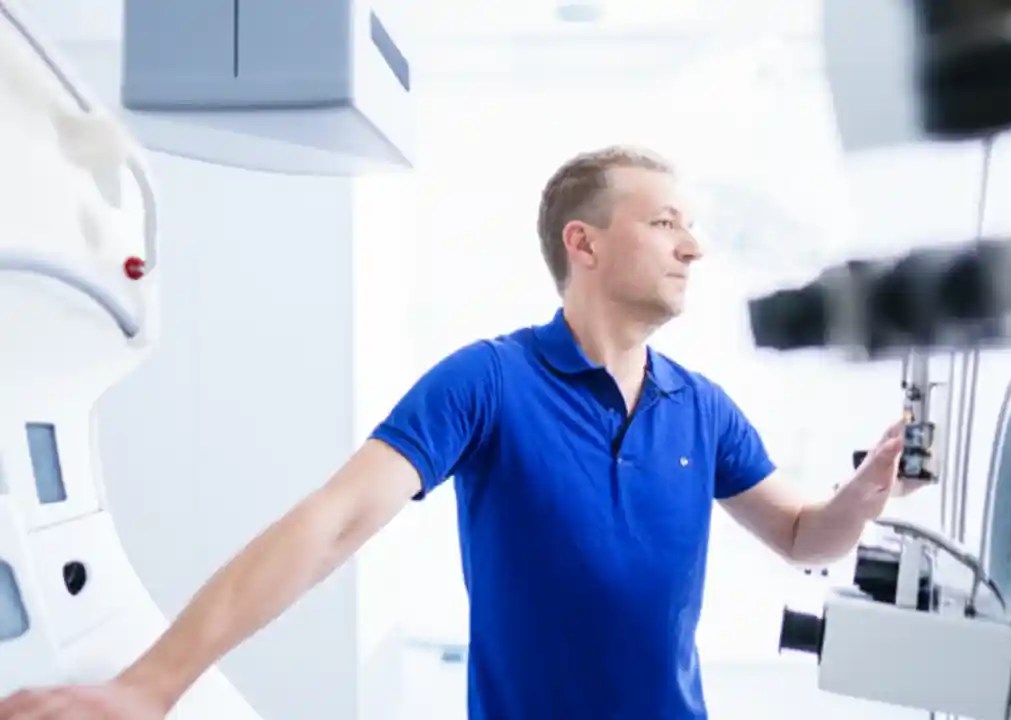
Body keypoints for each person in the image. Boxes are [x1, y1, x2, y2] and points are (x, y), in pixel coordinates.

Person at [0, 145, 915, 719]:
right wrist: (152, 684)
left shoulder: (701, 404)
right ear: (583, 244)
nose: (694, 246)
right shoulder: (488, 382)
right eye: (666, 221)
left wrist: (865, 493)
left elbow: (803, 536)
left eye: (693, 227)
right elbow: (331, 525)